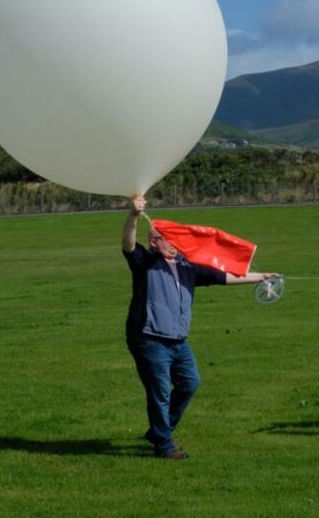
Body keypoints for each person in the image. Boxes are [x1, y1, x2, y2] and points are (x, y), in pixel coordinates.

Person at [122, 195, 279, 459]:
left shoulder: (187, 267)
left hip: (178, 341)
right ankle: (164, 446)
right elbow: (127, 244)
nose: (175, 245)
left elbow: (224, 276)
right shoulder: (144, 263)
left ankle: (161, 430)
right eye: (168, 240)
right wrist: (133, 216)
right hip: (149, 339)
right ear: (154, 242)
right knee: (159, 392)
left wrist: (260, 277)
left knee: (190, 383)